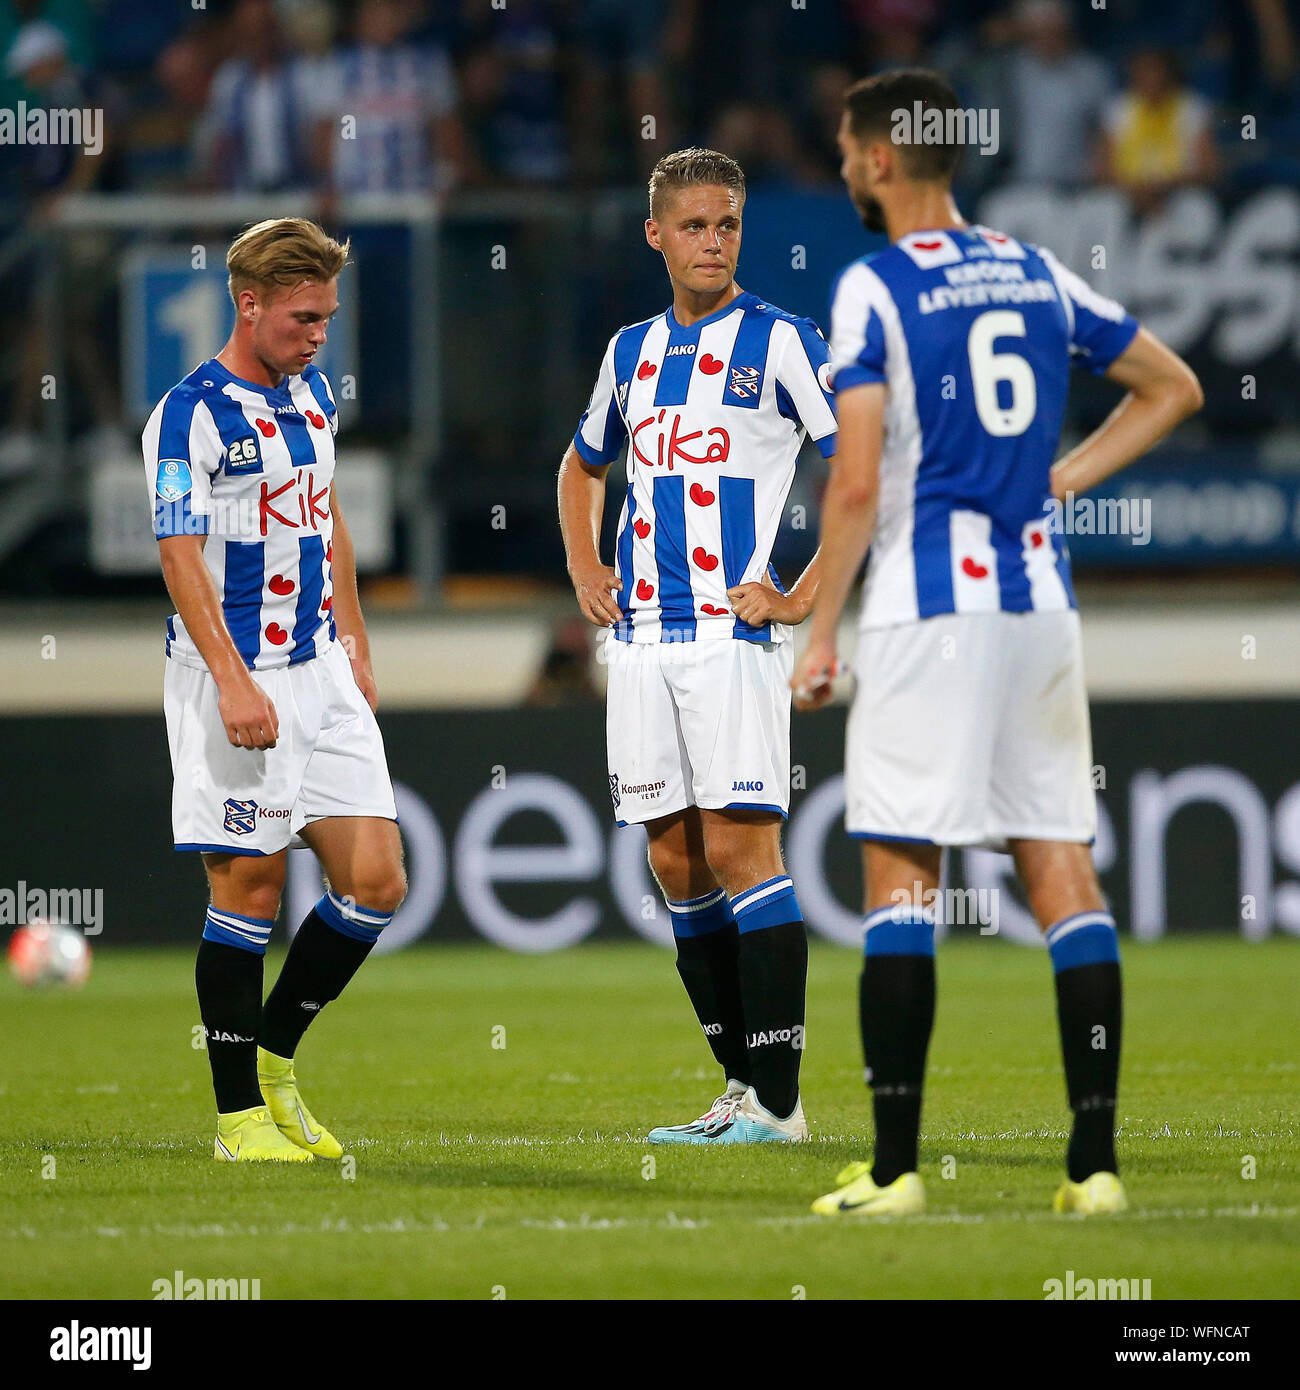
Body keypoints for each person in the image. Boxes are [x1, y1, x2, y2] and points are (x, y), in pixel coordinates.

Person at [792, 69, 1202, 1215]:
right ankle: (1095, 1167)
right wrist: (1063, 476)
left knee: (900, 871)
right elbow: (1171, 386)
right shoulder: (1033, 268)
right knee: (1060, 867)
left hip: (930, 614)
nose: (836, 163)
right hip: (1040, 606)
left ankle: (892, 1170)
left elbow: (858, 479)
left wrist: (819, 632)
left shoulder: (872, 289)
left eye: (842, 146)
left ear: (880, 159)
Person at [557, 148, 837, 1143]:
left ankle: (782, 1102)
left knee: (741, 851)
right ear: (656, 235)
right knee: (676, 864)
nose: (711, 241)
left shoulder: (783, 341)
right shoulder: (632, 350)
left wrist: (802, 596)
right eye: (693, 226)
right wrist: (587, 571)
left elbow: (864, 475)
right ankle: (739, 1085)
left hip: (727, 636)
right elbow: (581, 464)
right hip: (637, 644)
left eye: (725, 225)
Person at [142, 218, 406, 1162]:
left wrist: (358, 648)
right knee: (249, 890)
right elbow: (179, 558)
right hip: (233, 676)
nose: (317, 335)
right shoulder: (186, 416)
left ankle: (276, 1055)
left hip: (322, 667)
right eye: (302, 317)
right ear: (247, 303)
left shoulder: (313, 396)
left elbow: (326, 516)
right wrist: (230, 681)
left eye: (327, 319)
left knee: (376, 882)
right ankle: (238, 1119)